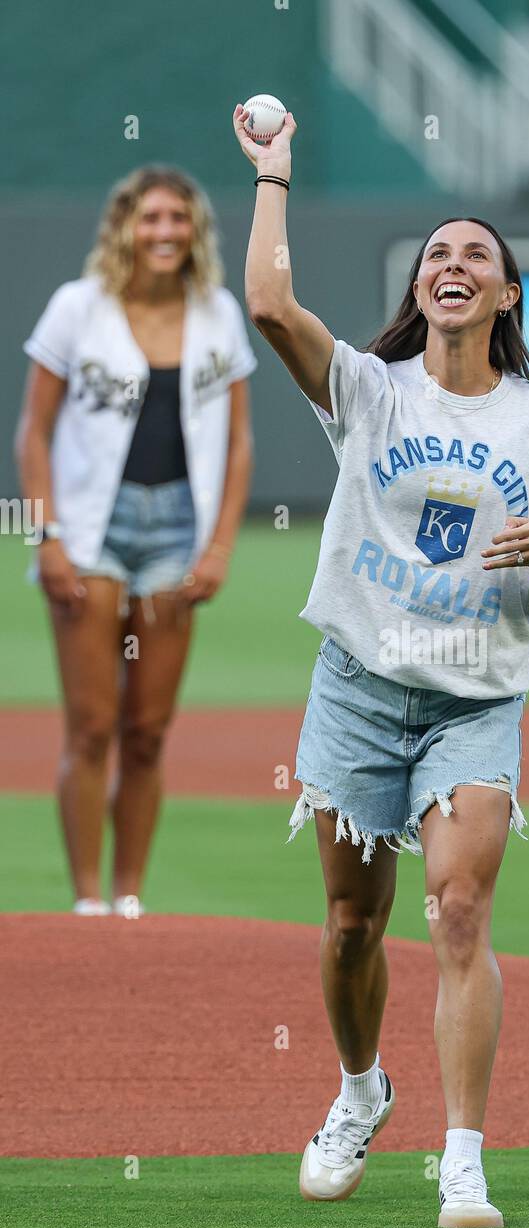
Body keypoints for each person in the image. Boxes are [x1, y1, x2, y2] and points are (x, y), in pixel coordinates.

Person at [233, 106, 529, 1228]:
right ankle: (360, 1090)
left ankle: (462, 1156)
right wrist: (273, 175)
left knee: (455, 912)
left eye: (475, 256)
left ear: (504, 298)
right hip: (356, 687)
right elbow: (264, 303)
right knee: (353, 924)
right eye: (437, 253)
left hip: (474, 702)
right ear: (421, 289)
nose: (452, 264)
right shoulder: (370, 390)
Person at [16, 165, 256, 919]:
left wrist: (218, 548)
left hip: (177, 530)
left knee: (147, 731)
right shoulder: (77, 308)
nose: (164, 233)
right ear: (124, 225)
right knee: (90, 727)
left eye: (178, 220)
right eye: (150, 218)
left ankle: (130, 899)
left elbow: (240, 441)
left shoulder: (217, 311)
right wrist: (42, 538)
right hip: (91, 529)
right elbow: (33, 433)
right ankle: (87, 899)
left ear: (195, 232)